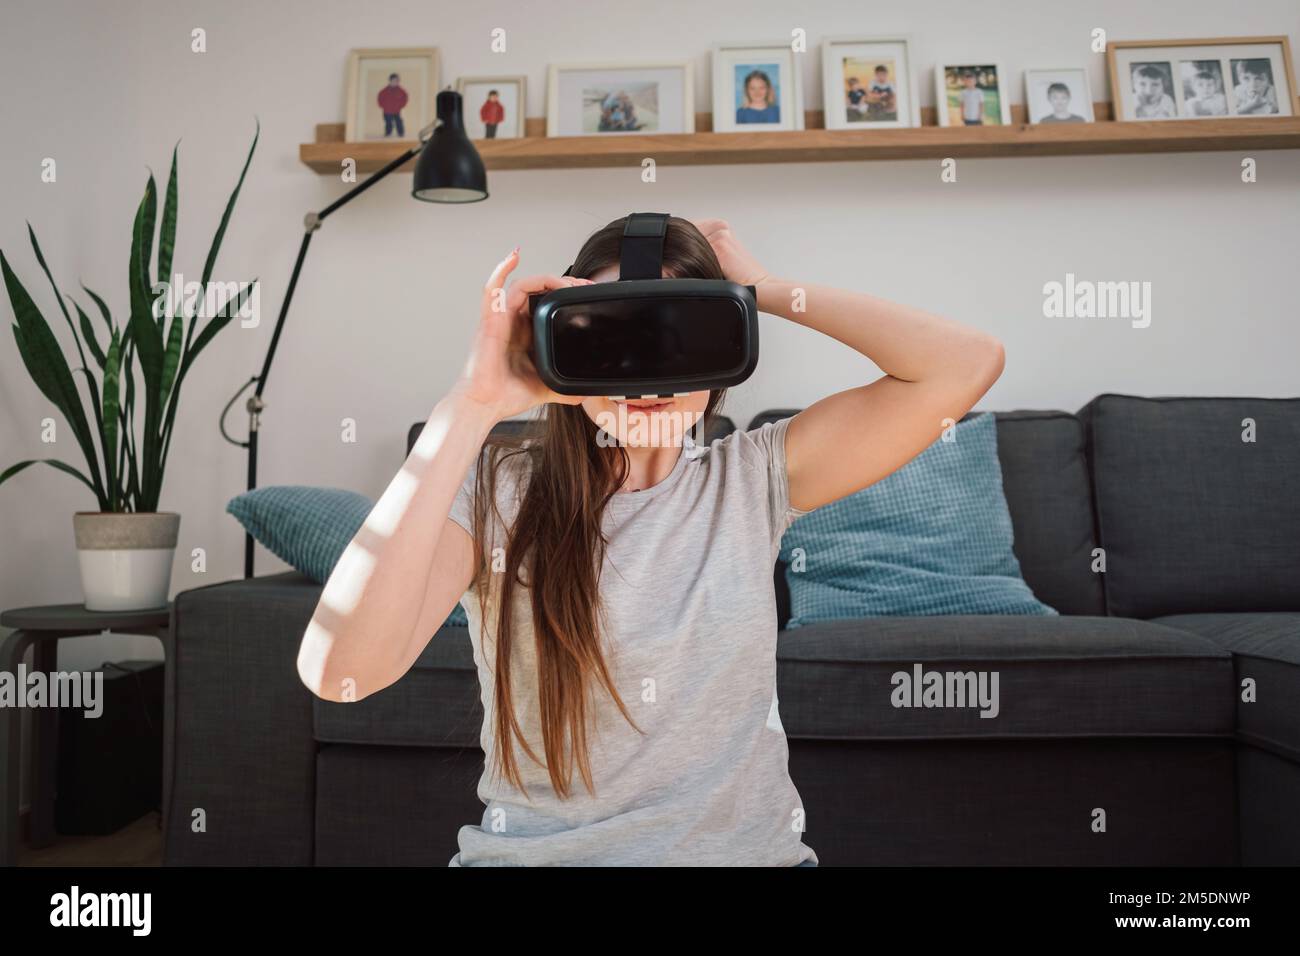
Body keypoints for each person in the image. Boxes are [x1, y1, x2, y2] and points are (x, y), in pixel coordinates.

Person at [297, 216, 1005, 866]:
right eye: (615, 336)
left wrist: (764, 291)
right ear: (563, 343)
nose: (649, 378)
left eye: (677, 335)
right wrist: (471, 404)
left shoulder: (754, 476)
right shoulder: (499, 494)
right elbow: (340, 672)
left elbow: (966, 362)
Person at [378, 72, 408, 137]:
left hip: (396, 111)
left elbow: (405, 98)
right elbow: (380, 98)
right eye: (393, 81)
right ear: (390, 81)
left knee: (399, 122)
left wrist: (401, 105)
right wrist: (383, 106)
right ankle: (388, 133)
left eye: (397, 81)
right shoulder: (384, 91)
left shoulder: (401, 91)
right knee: (388, 123)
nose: (395, 82)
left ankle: (401, 133)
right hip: (387, 111)